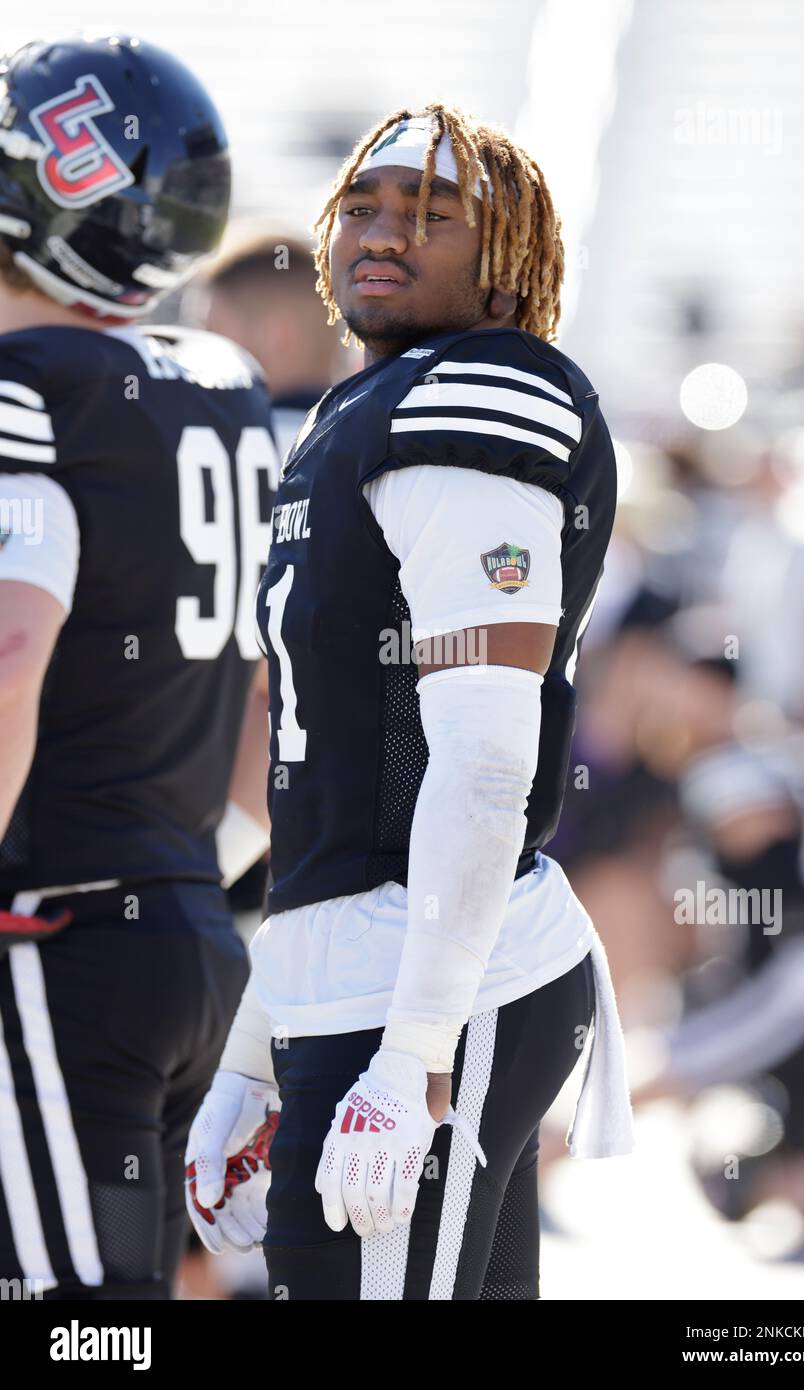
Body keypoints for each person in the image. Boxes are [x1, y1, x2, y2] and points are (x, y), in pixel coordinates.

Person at [186, 104, 634, 1301]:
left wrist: (413, 1056)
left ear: (510, 258)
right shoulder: (362, 407)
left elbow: (486, 762)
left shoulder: (472, 398)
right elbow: (323, 774)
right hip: (373, 967)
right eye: (367, 208)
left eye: (434, 216)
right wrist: (255, 1047)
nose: (385, 235)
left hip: (435, 985)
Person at [0, 34, 278, 1299]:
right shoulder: (227, 388)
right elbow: (275, 693)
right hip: (191, 928)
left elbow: (13, 649)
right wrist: (179, 873)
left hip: (54, 932)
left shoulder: (30, 389)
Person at [189, 227, 349, 456]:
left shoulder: (220, 451)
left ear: (278, 337)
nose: (197, 352)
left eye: (211, 331)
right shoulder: (376, 444)